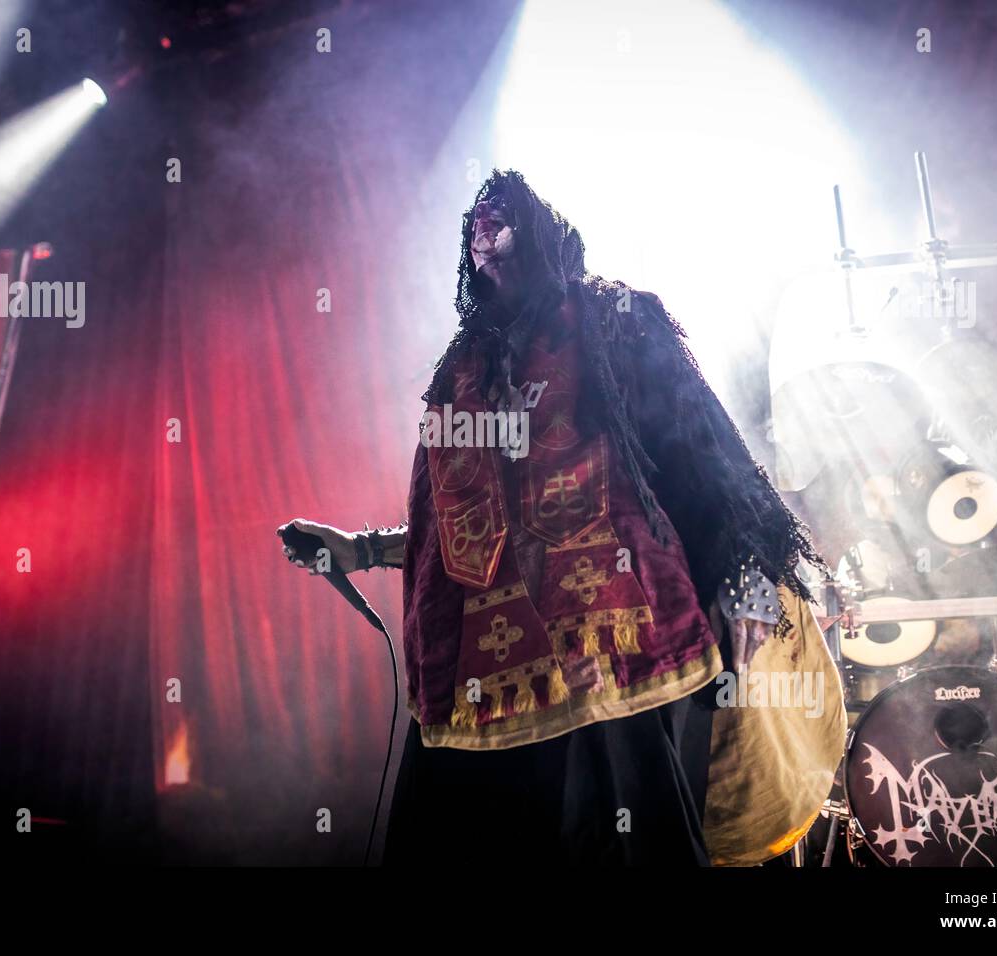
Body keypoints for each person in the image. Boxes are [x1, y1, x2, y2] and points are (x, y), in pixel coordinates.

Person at [279, 169, 825, 865]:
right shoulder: (460, 372)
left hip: (605, 660)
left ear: (547, 233)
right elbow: (464, 525)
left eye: (503, 211)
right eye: (475, 215)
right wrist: (359, 550)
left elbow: (703, 451)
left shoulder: (612, 320)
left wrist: (748, 572)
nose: (483, 221)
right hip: (474, 685)